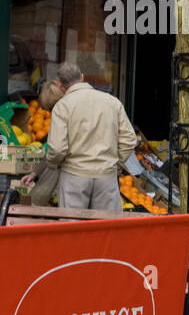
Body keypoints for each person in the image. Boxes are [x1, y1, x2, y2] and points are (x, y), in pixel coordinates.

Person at [44, 61, 137, 210]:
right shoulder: (112, 102)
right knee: (106, 230)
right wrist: (115, 163)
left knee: (72, 229)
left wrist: (53, 164)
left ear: (59, 85)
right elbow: (129, 140)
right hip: (106, 177)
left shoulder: (62, 106)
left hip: (73, 176)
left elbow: (57, 149)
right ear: (82, 77)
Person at [18, 79, 65, 206]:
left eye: (49, 109)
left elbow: (56, 150)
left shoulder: (62, 116)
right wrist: (35, 173)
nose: (49, 113)